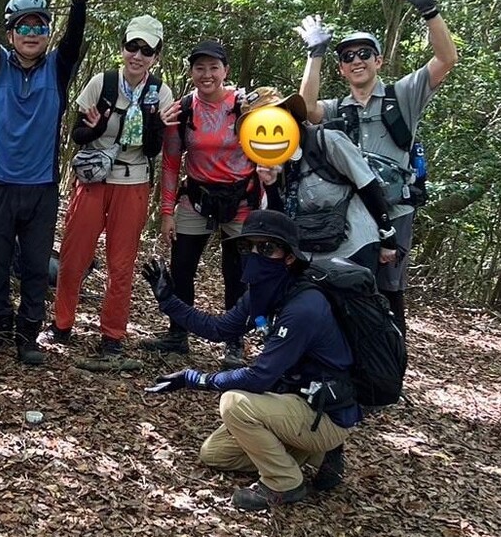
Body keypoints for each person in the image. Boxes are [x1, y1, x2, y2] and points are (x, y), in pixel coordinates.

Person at [141, 211, 359, 511]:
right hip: (290, 402)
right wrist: (168, 300)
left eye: (267, 248)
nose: (255, 255)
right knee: (214, 453)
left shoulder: (304, 307)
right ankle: (311, 455)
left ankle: (284, 482)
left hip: (323, 411)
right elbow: (219, 329)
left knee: (234, 404)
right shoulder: (262, 292)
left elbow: (259, 377)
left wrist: (195, 379)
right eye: (248, 247)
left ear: (289, 257)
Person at [297, 0, 458, 330]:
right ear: (341, 68)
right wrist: (315, 53)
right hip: (352, 214)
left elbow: (446, 60)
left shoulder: (402, 96)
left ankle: (389, 367)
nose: (356, 60)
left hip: (396, 210)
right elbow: (307, 109)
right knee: (348, 286)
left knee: (390, 291)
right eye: (348, 56)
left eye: (364, 53)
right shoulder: (339, 109)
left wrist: (429, 11)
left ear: (378, 60)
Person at [0, 0, 89, 365]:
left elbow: (74, 41)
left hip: (41, 187)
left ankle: (28, 335)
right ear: (11, 32)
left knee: (37, 266)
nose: (32, 32)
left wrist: (78, 0)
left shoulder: (57, 68)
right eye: (24, 25)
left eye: (40, 25)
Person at [51, 14, 174, 360]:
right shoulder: (101, 83)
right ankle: (62, 324)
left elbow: (152, 150)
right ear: (123, 48)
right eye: (132, 47)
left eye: (145, 50)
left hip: (133, 181)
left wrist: (153, 123)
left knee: (121, 263)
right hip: (92, 179)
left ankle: (113, 335)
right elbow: (77, 136)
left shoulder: (160, 93)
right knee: (74, 256)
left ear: (156, 56)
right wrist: (98, 126)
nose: (137, 55)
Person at [143, 39, 263, 366]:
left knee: (237, 272)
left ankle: (234, 341)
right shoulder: (182, 110)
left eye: (214, 67)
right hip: (196, 198)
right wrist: (167, 213)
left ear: (225, 70)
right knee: (182, 267)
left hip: (241, 201)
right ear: (191, 71)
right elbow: (170, 162)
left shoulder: (244, 106)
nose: (207, 74)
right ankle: (177, 333)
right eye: (200, 68)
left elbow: (269, 147)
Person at [243, 88, 399, 276]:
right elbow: (279, 222)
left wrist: (388, 237)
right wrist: (271, 184)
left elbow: (367, 185)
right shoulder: (271, 161)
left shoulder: (327, 141)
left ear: (289, 113)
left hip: (354, 247)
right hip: (309, 255)